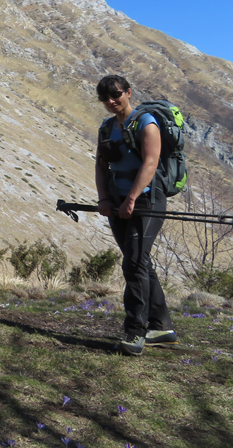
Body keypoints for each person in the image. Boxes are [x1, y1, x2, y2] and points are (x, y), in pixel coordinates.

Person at [94, 74, 176, 356]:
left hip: (147, 200)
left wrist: (131, 199)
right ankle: (161, 326)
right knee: (138, 261)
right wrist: (104, 198)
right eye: (105, 98)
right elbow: (101, 166)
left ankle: (135, 331)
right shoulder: (106, 128)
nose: (111, 101)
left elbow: (151, 163)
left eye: (116, 95)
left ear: (129, 92)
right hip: (116, 200)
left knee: (134, 263)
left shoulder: (146, 123)